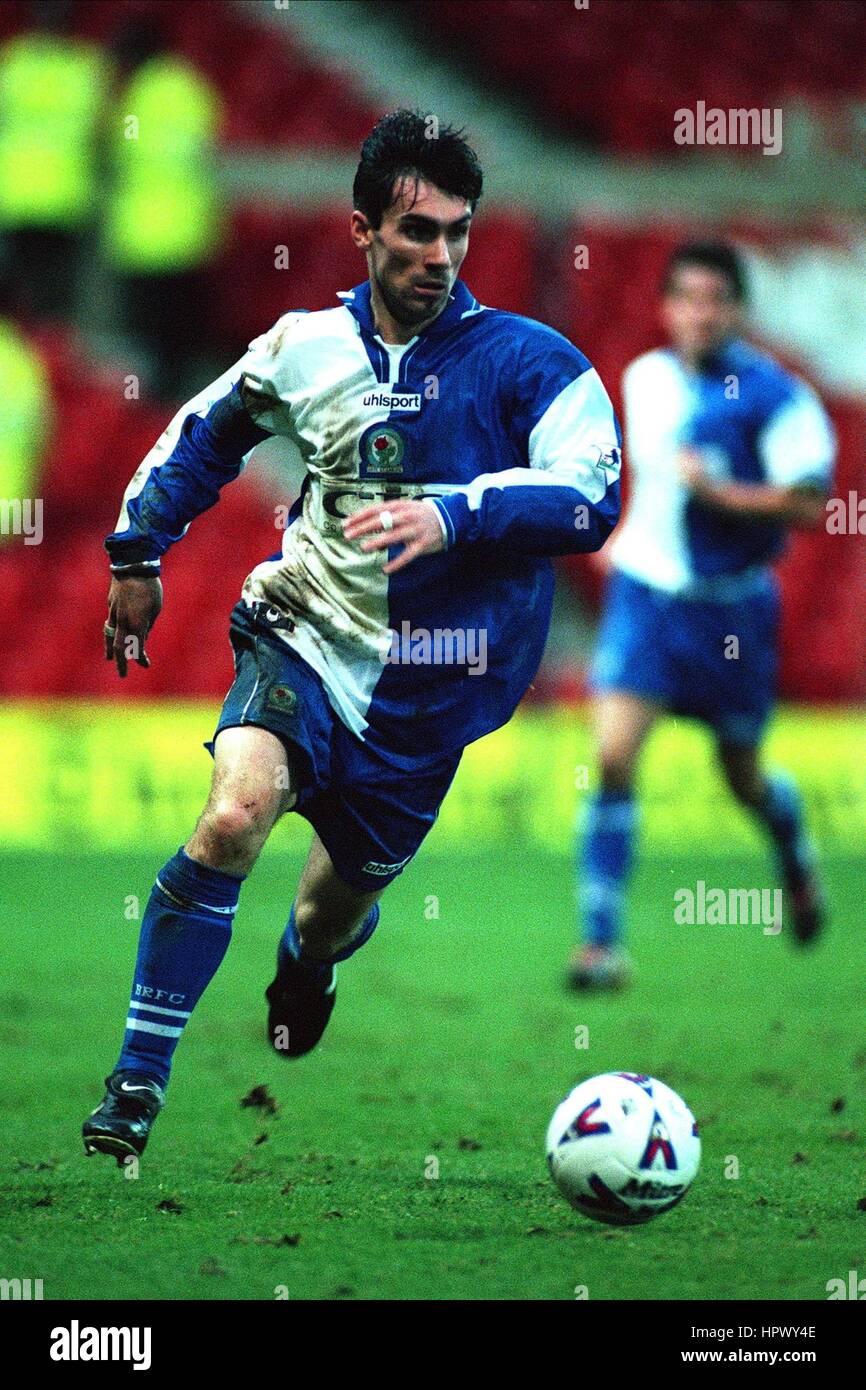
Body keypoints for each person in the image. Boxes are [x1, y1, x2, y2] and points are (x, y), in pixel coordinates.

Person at [82, 110, 622, 1164]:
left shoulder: (533, 363)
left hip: (431, 700)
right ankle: (137, 1083)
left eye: (456, 231)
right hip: (305, 634)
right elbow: (204, 437)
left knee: (326, 913)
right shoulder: (304, 347)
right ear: (363, 230)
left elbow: (590, 500)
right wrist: (137, 553)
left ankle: (308, 962)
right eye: (416, 230)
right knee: (233, 817)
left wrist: (455, 513)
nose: (439, 254)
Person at [568, 240, 835, 991]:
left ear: (740, 311)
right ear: (666, 307)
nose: (701, 314)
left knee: (742, 776)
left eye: (717, 300)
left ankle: (793, 848)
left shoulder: (779, 397)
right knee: (613, 756)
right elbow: (648, 482)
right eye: (687, 299)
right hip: (648, 598)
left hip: (732, 611)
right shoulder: (645, 378)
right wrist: (619, 535)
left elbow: (809, 502)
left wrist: (720, 495)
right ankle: (600, 945)